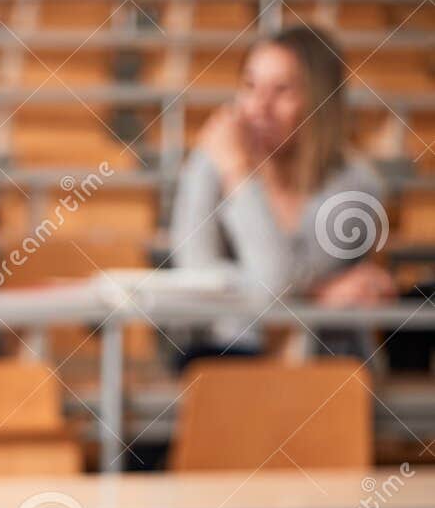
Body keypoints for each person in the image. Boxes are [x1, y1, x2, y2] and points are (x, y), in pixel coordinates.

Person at [169, 24, 394, 359]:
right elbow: (195, 275)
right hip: (229, 357)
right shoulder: (215, 159)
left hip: (326, 367)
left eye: (282, 90)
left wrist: (239, 178)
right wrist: (314, 295)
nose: (259, 107)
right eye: (250, 86)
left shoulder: (356, 185)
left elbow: (274, 285)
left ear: (320, 102)